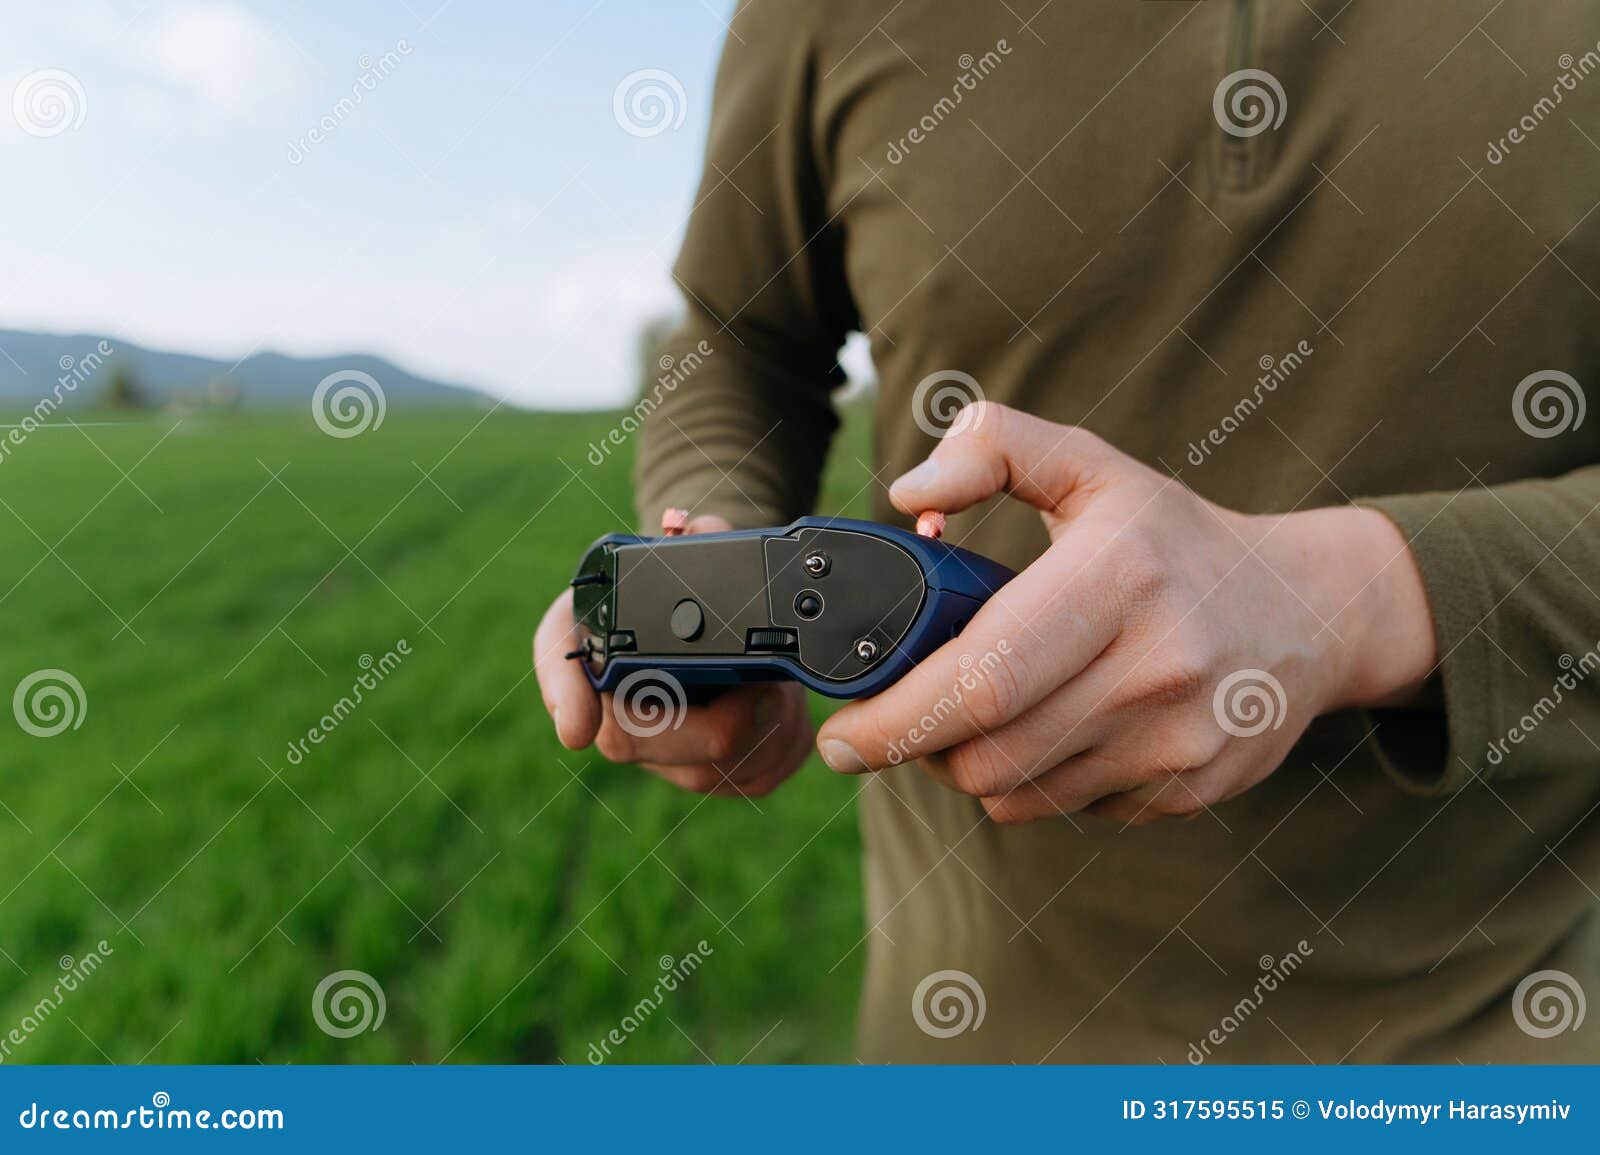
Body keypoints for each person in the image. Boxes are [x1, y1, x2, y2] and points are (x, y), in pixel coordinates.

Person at [535, 1, 1600, 1062]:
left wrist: (1346, 599)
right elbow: (740, 336)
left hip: (1506, 1029)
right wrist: (722, 556)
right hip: (971, 1032)